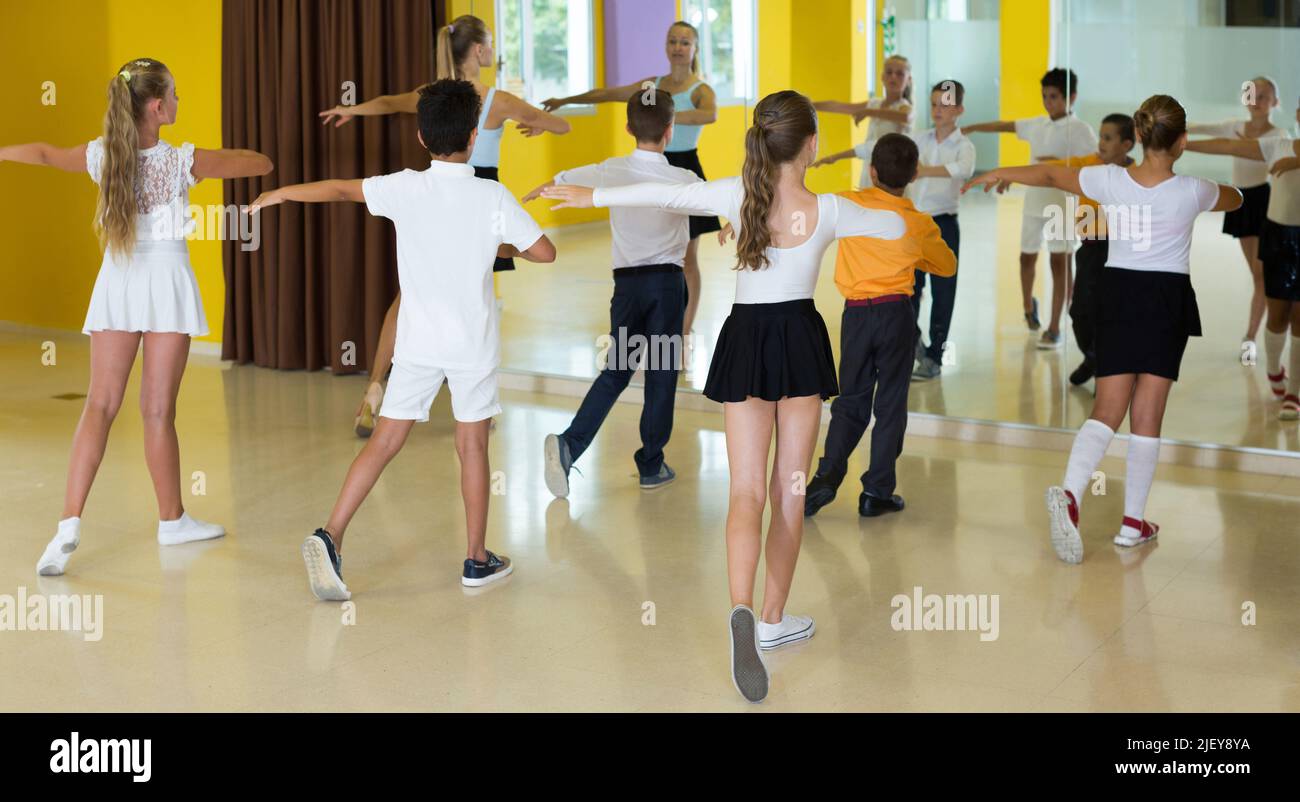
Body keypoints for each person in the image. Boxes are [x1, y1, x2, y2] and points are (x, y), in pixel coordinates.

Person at [541, 90, 906, 703]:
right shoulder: (828, 209)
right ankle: (772, 622)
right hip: (799, 340)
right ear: (812, 146)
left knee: (746, 492)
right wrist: (864, 205)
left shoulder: (736, 195)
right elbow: (894, 225)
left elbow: (664, 195)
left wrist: (593, 196)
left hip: (745, 337)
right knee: (790, 491)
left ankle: (740, 608)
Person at [253, 80, 556, 598]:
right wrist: (506, 245)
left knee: (386, 441)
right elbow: (545, 252)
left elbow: (340, 190)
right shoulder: (492, 196)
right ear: (474, 135)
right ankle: (476, 559)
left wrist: (281, 192)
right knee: (471, 445)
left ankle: (331, 534)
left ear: (421, 137)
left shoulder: (405, 188)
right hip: (471, 346)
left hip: (417, 343)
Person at [1, 59, 273, 576]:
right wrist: (209, 160)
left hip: (118, 280)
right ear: (158, 107)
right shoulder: (182, 160)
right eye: (175, 95)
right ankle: (171, 521)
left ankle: (68, 523)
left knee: (99, 404)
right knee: (157, 412)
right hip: (166, 282)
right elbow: (260, 164)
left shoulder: (101, 155)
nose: (180, 102)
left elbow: (44, 153)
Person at [965, 94, 1243, 564]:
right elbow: (1236, 198)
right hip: (1165, 300)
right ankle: (1132, 524)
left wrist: (999, 172)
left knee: (1107, 407)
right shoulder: (1194, 190)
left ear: (1139, 136)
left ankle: (1072, 494)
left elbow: (1050, 175)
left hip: (1117, 293)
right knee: (1148, 413)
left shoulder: (1108, 179)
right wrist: (1209, 176)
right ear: (1181, 141)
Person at [319, 14, 570, 437]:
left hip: (436, 194)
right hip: (478, 197)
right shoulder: (498, 100)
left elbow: (387, 103)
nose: (493, 51)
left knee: (408, 298)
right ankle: (475, 401)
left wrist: (351, 110)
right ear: (479, 50)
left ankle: (375, 389)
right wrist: (537, 124)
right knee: (476, 295)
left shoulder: (432, 94)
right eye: (490, 44)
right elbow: (562, 124)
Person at [524, 90, 699, 495]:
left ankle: (570, 444)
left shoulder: (610, 170)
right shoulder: (684, 179)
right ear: (670, 131)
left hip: (628, 289)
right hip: (666, 287)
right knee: (661, 374)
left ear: (628, 128)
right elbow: (719, 202)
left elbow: (563, 180)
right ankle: (651, 465)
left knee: (617, 370)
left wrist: (540, 189)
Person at [803, 133, 956, 518]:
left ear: (871, 172)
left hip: (856, 316)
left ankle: (826, 476)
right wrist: (914, 254)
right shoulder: (917, 222)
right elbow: (947, 266)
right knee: (890, 404)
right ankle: (876, 492)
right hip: (896, 316)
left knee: (851, 400)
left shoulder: (848, 203)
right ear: (915, 174)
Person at [965, 68, 1098, 348]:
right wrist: (973, 127)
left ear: (1071, 97)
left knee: (1059, 262)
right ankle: (1028, 308)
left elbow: (1093, 163)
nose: (1048, 102)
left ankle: (1055, 326)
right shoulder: (1038, 124)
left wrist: (1057, 163)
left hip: (1062, 204)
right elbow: (1005, 126)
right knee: (1026, 258)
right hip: (1034, 202)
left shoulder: (1081, 130)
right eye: (1045, 96)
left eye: (1054, 97)